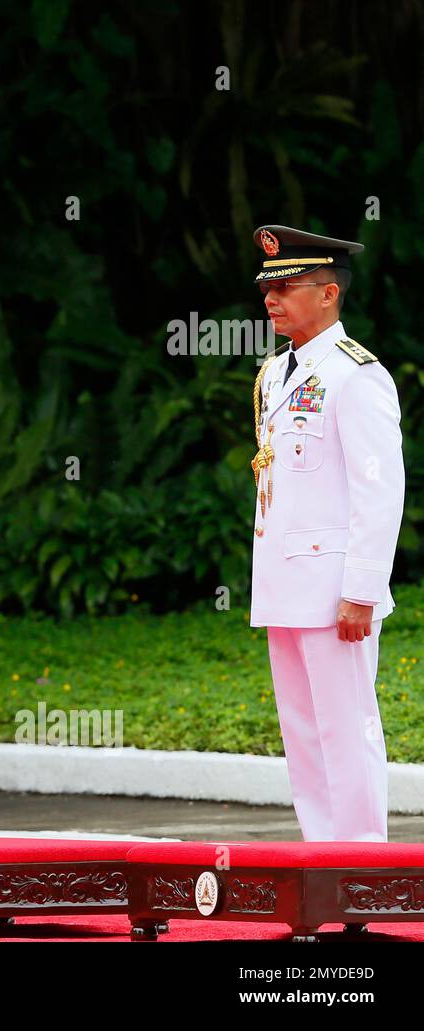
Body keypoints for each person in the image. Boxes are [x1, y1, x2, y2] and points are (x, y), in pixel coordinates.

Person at [249, 224, 405, 842]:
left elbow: (379, 489)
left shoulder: (356, 375)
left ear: (329, 294)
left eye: (287, 286)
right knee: (304, 733)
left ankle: (364, 868)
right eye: (267, 287)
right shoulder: (274, 374)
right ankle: (322, 862)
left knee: (347, 727)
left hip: (336, 585)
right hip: (287, 581)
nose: (271, 297)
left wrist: (361, 590)